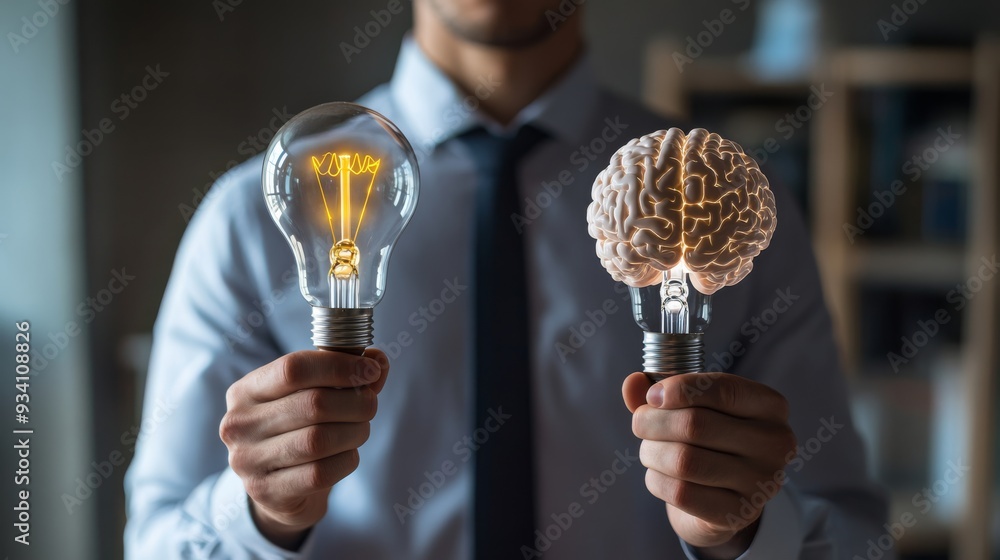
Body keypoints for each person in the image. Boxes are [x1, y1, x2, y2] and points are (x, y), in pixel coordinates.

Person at [125, 0, 889, 558]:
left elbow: (853, 536)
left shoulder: (707, 205)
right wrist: (260, 514)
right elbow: (157, 543)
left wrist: (747, 531)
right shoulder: (250, 217)